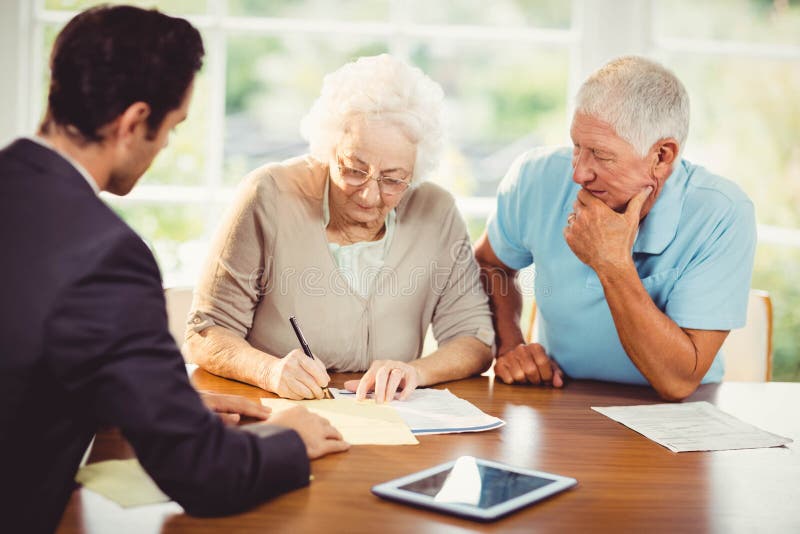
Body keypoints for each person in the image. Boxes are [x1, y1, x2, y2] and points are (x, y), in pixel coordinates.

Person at [0, 6, 347, 533]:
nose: (164, 146)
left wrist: (150, 401)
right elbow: (203, 474)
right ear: (134, 122)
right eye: (171, 128)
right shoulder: (106, 256)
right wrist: (290, 439)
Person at [185, 54, 494, 403]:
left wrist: (416, 372)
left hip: (386, 417)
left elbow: (475, 339)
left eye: (393, 179)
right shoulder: (269, 195)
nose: (369, 195)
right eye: (354, 170)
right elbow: (206, 331)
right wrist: (268, 371)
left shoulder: (436, 211)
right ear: (328, 149)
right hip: (276, 411)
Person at [475, 56, 756, 401]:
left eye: (601, 155)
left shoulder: (722, 213)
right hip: (562, 398)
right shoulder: (536, 176)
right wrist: (510, 345)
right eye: (577, 146)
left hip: (677, 413)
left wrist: (611, 262)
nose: (579, 173)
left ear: (662, 156)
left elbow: (678, 382)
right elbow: (489, 263)